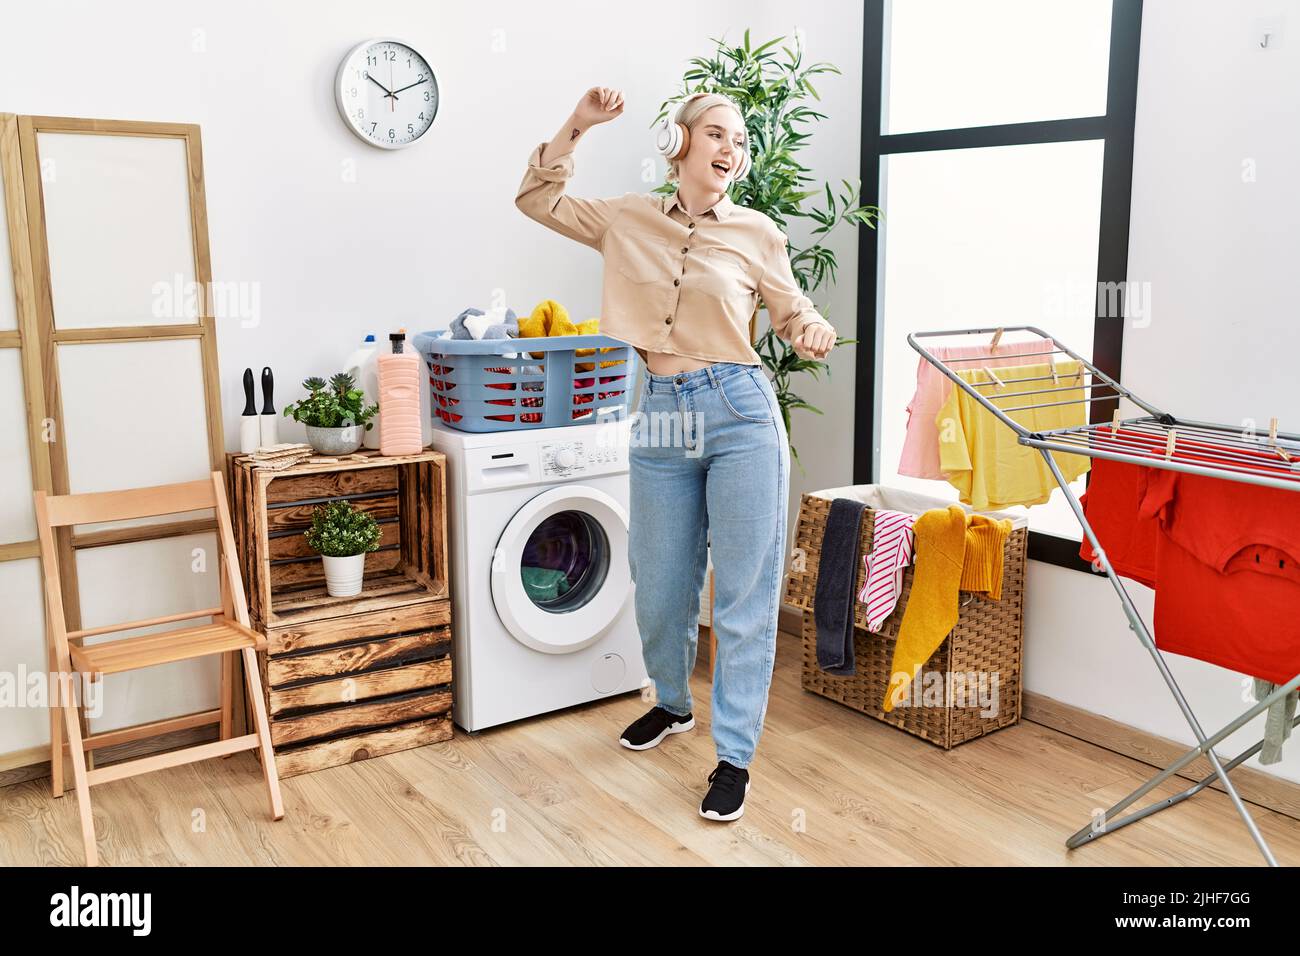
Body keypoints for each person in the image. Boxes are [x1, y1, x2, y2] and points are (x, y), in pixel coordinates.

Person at [515, 85, 836, 822]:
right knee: (657, 585)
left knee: (744, 597)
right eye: (718, 133)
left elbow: (791, 310)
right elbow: (538, 197)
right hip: (659, 416)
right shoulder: (628, 218)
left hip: (739, 413)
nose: (732, 148)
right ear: (681, 143)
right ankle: (670, 704)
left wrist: (809, 328)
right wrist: (579, 126)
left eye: (741, 140)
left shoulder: (758, 233)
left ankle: (734, 757)